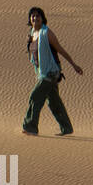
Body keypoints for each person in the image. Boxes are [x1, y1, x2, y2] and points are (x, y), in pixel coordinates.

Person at [23, 7, 83, 136]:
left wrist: (73, 64)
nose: (35, 18)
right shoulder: (32, 33)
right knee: (54, 102)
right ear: (30, 19)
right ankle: (66, 128)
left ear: (42, 18)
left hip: (50, 73)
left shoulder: (47, 33)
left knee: (35, 96)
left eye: (38, 16)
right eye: (32, 16)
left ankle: (30, 127)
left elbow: (60, 49)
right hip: (42, 73)